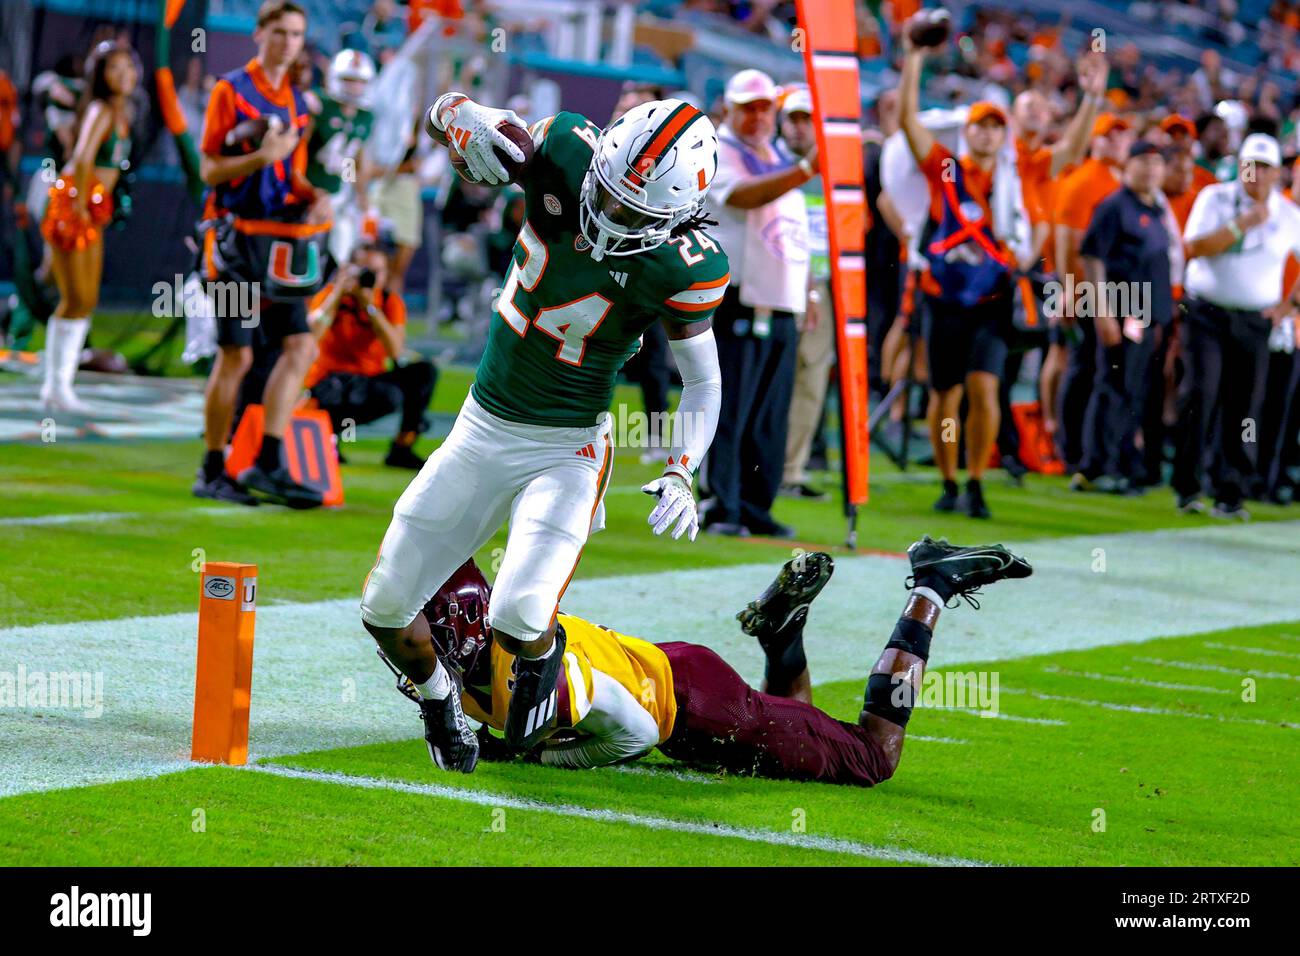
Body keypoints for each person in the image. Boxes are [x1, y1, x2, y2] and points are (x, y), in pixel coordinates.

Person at [361, 93, 728, 762]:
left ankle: (567, 712)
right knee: (384, 607)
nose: (611, 217)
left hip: (568, 445)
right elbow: (450, 114)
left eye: (634, 213)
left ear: (678, 214)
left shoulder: (686, 265)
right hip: (481, 425)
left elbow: (703, 381)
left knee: (519, 613)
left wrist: (681, 468)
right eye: (610, 195)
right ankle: (442, 705)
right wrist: (461, 120)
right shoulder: (562, 148)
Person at [387, 540, 1031, 781]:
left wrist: (549, 755)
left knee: (872, 758)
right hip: (676, 670)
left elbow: (635, 734)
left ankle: (931, 587)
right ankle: (784, 635)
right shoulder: (499, 645)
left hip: (695, 710)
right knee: (789, 726)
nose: (419, 646)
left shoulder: (512, 676)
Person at [191, 0, 332, 508]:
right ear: (259, 33)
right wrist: (259, 157)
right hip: (233, 242)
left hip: (281, 244)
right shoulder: (230, 89)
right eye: (280, 32)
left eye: (296, 34)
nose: (288, 42)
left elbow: (287, 175)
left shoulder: (297, 101)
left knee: (300, 347)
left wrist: (311, 192)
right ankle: (212, 468)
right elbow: (208, 170)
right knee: (237, 354)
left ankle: (267, 461)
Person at [898, 30, 1031, 520]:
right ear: (966, 131)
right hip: (943, 297)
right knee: (944, 393)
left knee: (983, 388)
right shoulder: (947, 170)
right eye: (980, 126)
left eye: (996, 127)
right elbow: (908, 122)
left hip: (991, 303)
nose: (988, 133)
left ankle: (975, 481)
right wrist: (914, 60)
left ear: (1005, 135)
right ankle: (949, 479)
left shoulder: (1013, 181)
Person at [701, 69, 812, 537]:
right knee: (731, 407)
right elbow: (744, 197)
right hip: (737, 297)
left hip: (780, 298)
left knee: (768, 413)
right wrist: (807, 170)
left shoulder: (774, 155)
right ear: (729, 109)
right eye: (749, 107)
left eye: (765, 107)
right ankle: (720, 504)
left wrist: (809, 288)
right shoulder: (718, 151)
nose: (758, 116)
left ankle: (754, 503)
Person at [1175, 133, 1300, 518]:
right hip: (1206, 313)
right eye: (1250, 165)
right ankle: (1188, 483)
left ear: (1277, 173)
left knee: (1246, 408)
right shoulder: (1215, 198)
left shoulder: (1289, 215)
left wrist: (1287, 306)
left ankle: (1231, 489)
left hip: (1254, 320)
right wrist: (1241, 225)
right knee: (1201, 392)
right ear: (1239, 165)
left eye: (1265, 167)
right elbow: (1194, 247)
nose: (1256, 174)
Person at [39, 41, 138, 414]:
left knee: (86, 299)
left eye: (128, 67)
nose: (123, 75)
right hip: (76, 202)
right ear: (100, 75)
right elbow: (80, 158)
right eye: (114, 68)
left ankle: (60, 386)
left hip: (90, 204)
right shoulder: (100, 108)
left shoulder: (121, 110)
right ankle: (56, 386)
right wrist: (80, 207)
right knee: (75, 297)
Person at [1074, 142, 1175, 493]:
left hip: (1146, 313)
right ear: (1126, 164)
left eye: (1157, 162)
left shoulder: (1156, 208)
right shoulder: (1115, 206)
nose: (1150, 169)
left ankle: (1119, 461)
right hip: (1121, 306)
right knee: (1113, 384)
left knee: (1131, 388)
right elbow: (1091, 257)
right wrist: (1102, 313)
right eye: (1143, 161)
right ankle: (1097, 465)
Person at [1051, 114, 1134, 475]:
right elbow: (1068, 240)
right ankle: (1068, 448)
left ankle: (1095, 448)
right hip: (1086, 290)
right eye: (1108, 137)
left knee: (1104, 372)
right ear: (1094, 141)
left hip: (1120, 291)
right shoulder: (1083, 180)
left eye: (1121, 136)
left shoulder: (1122, 182)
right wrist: (1069, 289)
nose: (1116, 143)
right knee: (1080, 366)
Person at [305, 243, 435, 468]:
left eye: (376, 272)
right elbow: (311, 336)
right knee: (378, 394)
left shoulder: (388, 302)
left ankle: (402, 447)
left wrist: (370, 309)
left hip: (369, 379)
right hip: (330, 380)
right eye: (363, 270)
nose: (369, 277)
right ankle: (330, 437)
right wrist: (337, 294)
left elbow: (396, 351)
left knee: (423, 372)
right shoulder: (332, 296)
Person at [777, 86, 833, 501]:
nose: (799, 127)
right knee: (768, 379)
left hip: (822, 286)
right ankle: (750, 467)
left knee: (810, 380)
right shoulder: (768, 160)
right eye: (793, 118)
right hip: (776, 283)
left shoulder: (833, 167)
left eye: (806, 119)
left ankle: (790, 472)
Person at [306, 49, 376, 270]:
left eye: (359, 81)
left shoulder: (365, 117)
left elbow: (351, 159)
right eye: (348, 80)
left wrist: (356, 191)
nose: (354, 87)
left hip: (334, 195)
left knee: (340, 252)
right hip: (306, 190)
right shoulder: (319, 104)